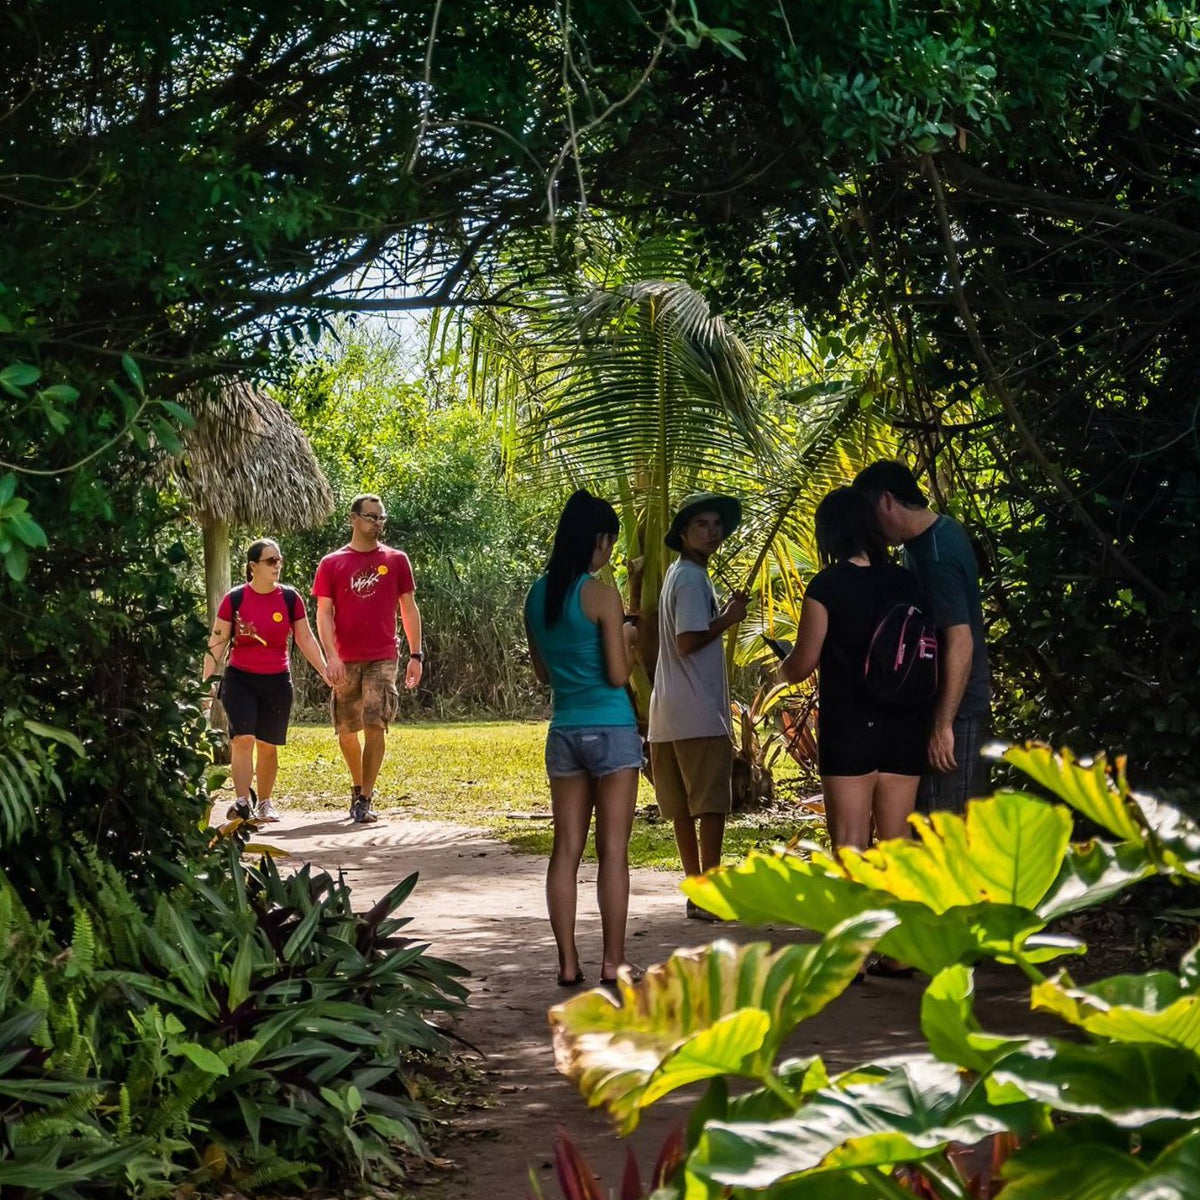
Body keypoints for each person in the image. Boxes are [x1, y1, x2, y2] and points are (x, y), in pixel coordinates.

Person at [524, 490, 642, 989]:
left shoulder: (537, 595)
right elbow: (617, 674)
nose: (610, 552)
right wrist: (630, 643)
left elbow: (542, 674)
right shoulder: (601, 594)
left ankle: (567, 962)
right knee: (613, 850)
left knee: (566, 849)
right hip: (611, 727)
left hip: (565, 728)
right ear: (598, 540)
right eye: (609, 542)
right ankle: (613, 961)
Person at [779, 487, 931, 852]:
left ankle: (855, 896)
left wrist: (783, 667)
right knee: (898, 846)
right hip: (904, 724)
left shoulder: (827, 586)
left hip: (849, 727)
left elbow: (801, 665)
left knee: (850, 845)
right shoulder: (907, 582)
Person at [853, 461, 991, 813]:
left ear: (886, 500)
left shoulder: (937, 554)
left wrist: (943, 726)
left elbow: (960, 640)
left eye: (869, 514)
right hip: (939, 707)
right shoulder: (930, 539)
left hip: (958, 712)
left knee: (945, 825)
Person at [647, 493, 747, 920]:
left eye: (717, 524)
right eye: (702, 525)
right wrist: (729, 618)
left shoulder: (678, 574)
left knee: (683, 810)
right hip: (698, 711)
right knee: (709, 806)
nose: (712, 532)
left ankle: (696, 891)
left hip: (667, 712)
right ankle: (707, 891)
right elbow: (688, 640)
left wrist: (722, 613)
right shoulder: (690, 578)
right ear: (684, 533)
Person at [313, 494, 424, 824]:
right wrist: (331, 656)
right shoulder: (332, 563)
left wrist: (416, 654)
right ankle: (357, 784)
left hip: (383, 656)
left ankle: (365, 798)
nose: (377, 523)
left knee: (375, 723)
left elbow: (409, 609)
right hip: (345, 659)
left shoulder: (396, 560)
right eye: (371, 517)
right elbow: (323, 614)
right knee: (347, 730)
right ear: (353, 519)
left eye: (381, 517)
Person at [202, 538, 330, 822]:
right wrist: (204, 684)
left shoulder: (290, 598)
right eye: (271, 561)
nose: (277, 565)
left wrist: (325, 670)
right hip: (240, 679)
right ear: (253, 566)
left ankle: (265, 802)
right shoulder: (235, 599)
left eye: (279, 560)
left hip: (277, 681)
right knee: (243, 738)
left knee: (268, 744)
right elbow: (217, 642)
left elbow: (305, 638)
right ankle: (242, 801)